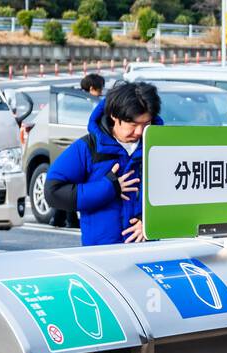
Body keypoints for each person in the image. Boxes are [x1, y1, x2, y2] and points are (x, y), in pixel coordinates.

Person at [46, 80, 162, 246]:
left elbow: (176, 197)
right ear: (114, 116)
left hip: (149, 251)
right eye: (133, 124)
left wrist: (150, 224)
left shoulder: (159, 148)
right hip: (101, 254)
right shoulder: (88, 147)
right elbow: (53, 192)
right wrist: (109, 188)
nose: (139, 132)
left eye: (146, 124)